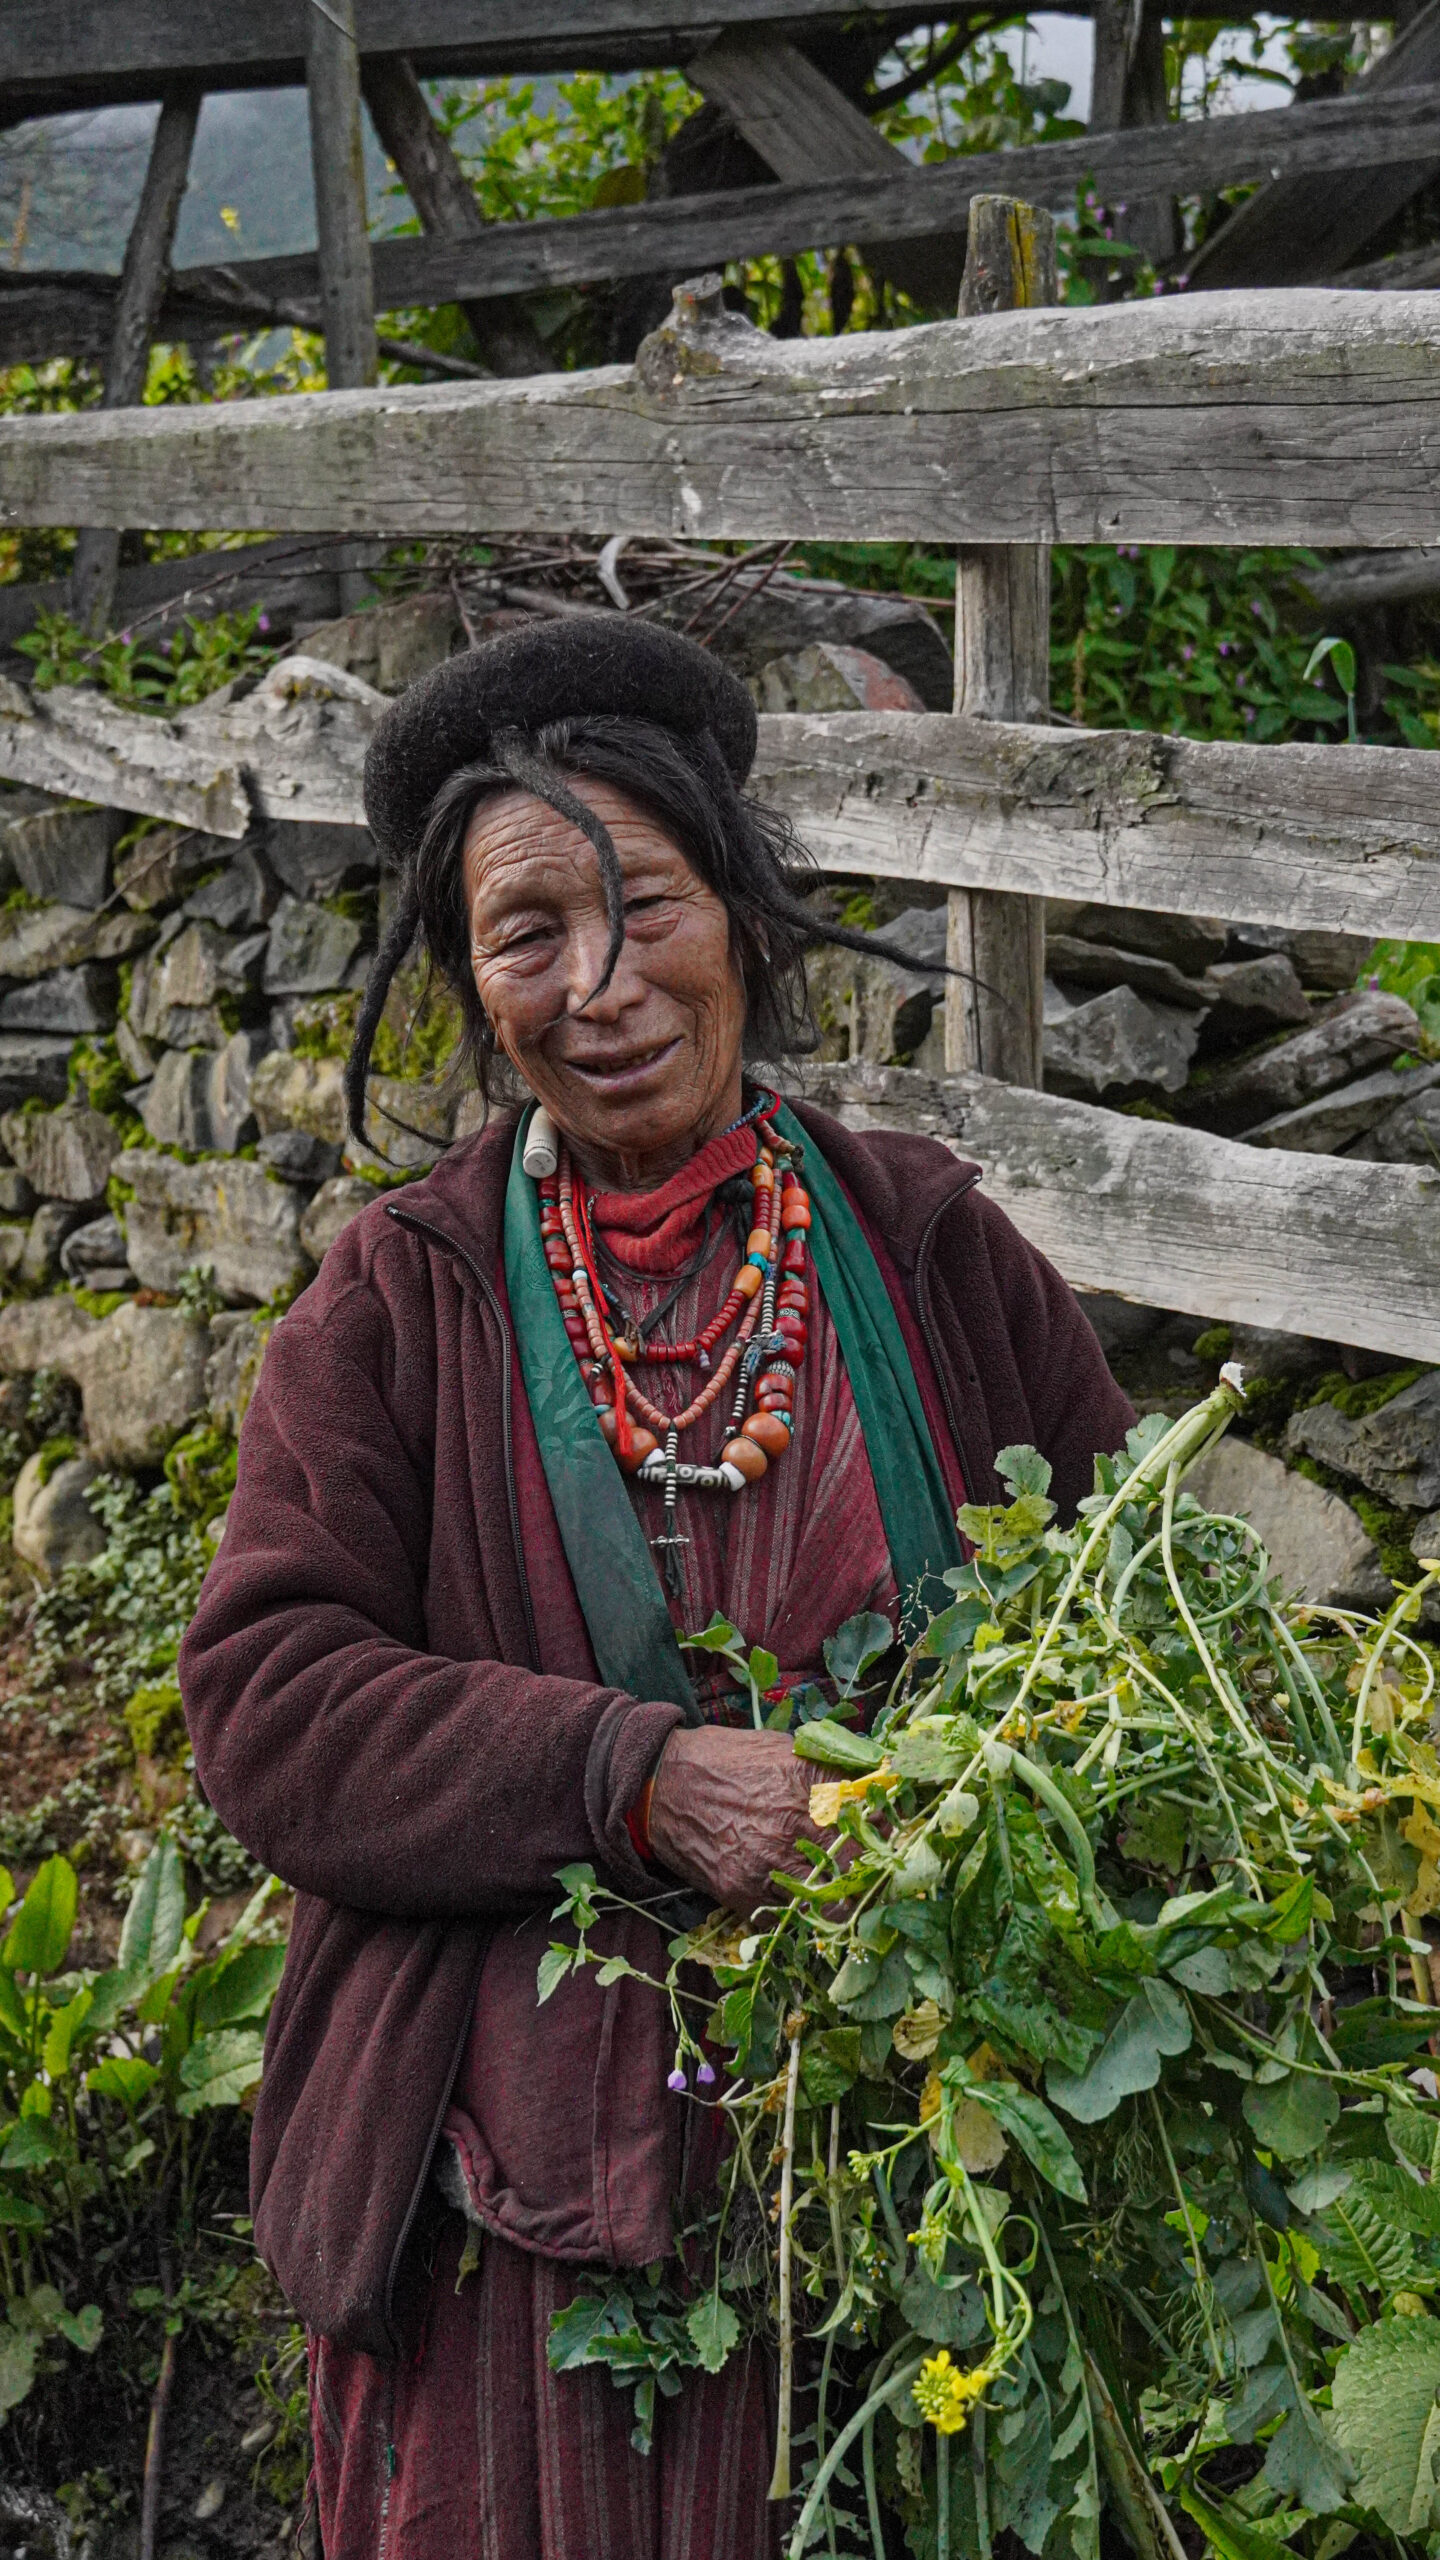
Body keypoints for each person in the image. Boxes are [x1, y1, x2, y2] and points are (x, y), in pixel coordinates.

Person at [180, 619, 1133, 2560]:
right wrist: (630, 1772)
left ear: (748, 921)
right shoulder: (400, 1302)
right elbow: (270, 1699)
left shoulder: (933, 1247)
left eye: (650, 906)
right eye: (530, 931)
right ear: (467, 980)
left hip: (910, 2164)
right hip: (509, 2207)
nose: (600, 984)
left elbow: (1116, 1610)